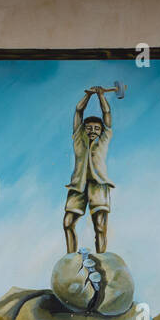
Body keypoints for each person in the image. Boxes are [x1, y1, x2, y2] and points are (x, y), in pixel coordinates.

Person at [64, 86, 115, 254]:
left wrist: (101, 96)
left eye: (96, 128)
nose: (93, 130)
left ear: (101, 131)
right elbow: (79, 111)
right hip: (78, 186)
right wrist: (88, 95)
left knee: (100, 226)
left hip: (98, 185)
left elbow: (106, 115)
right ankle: (70, 257)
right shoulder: (79, 139)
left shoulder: (104, 140)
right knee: (68, 223)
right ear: (84, 129)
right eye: (89, 128)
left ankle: (102, 258)